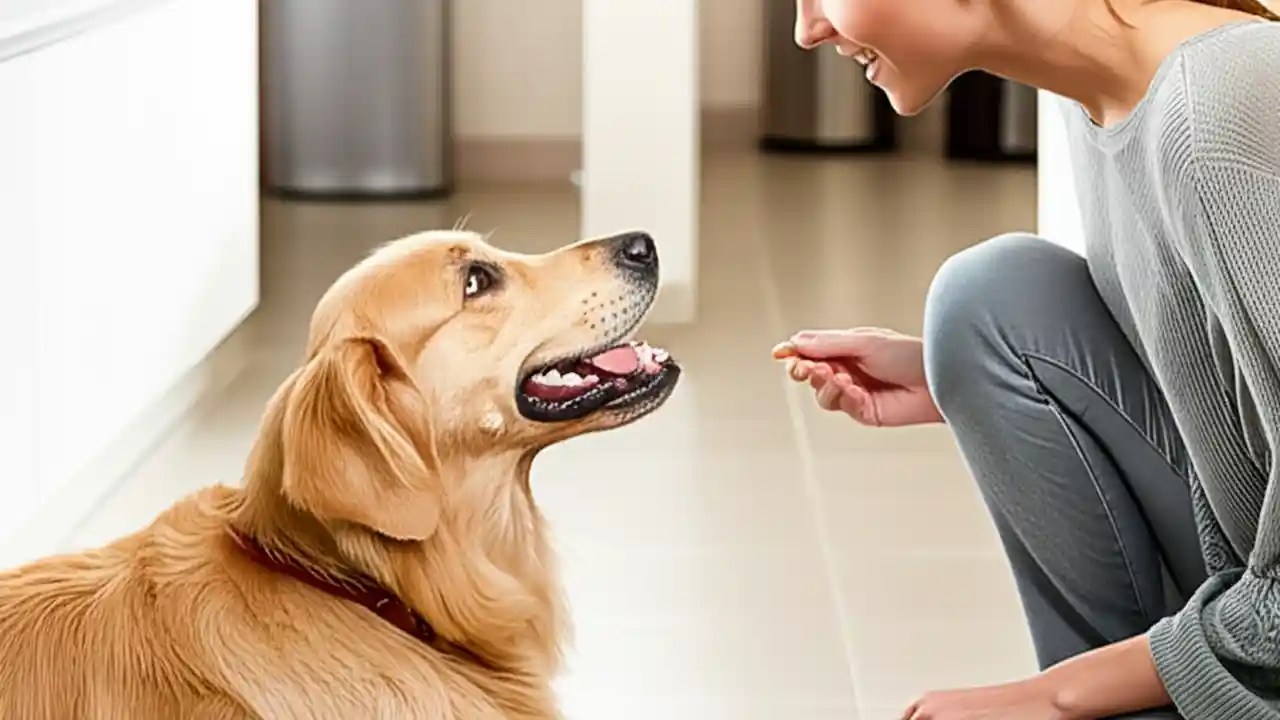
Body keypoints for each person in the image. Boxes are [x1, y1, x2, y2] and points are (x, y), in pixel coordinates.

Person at [778, 1, 1280, 718]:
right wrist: (966, 373)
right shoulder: (1102, 96)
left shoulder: (1222, 103)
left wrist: (1054, 698)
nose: (808, 29)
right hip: (1249, 577)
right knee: (989, 302)